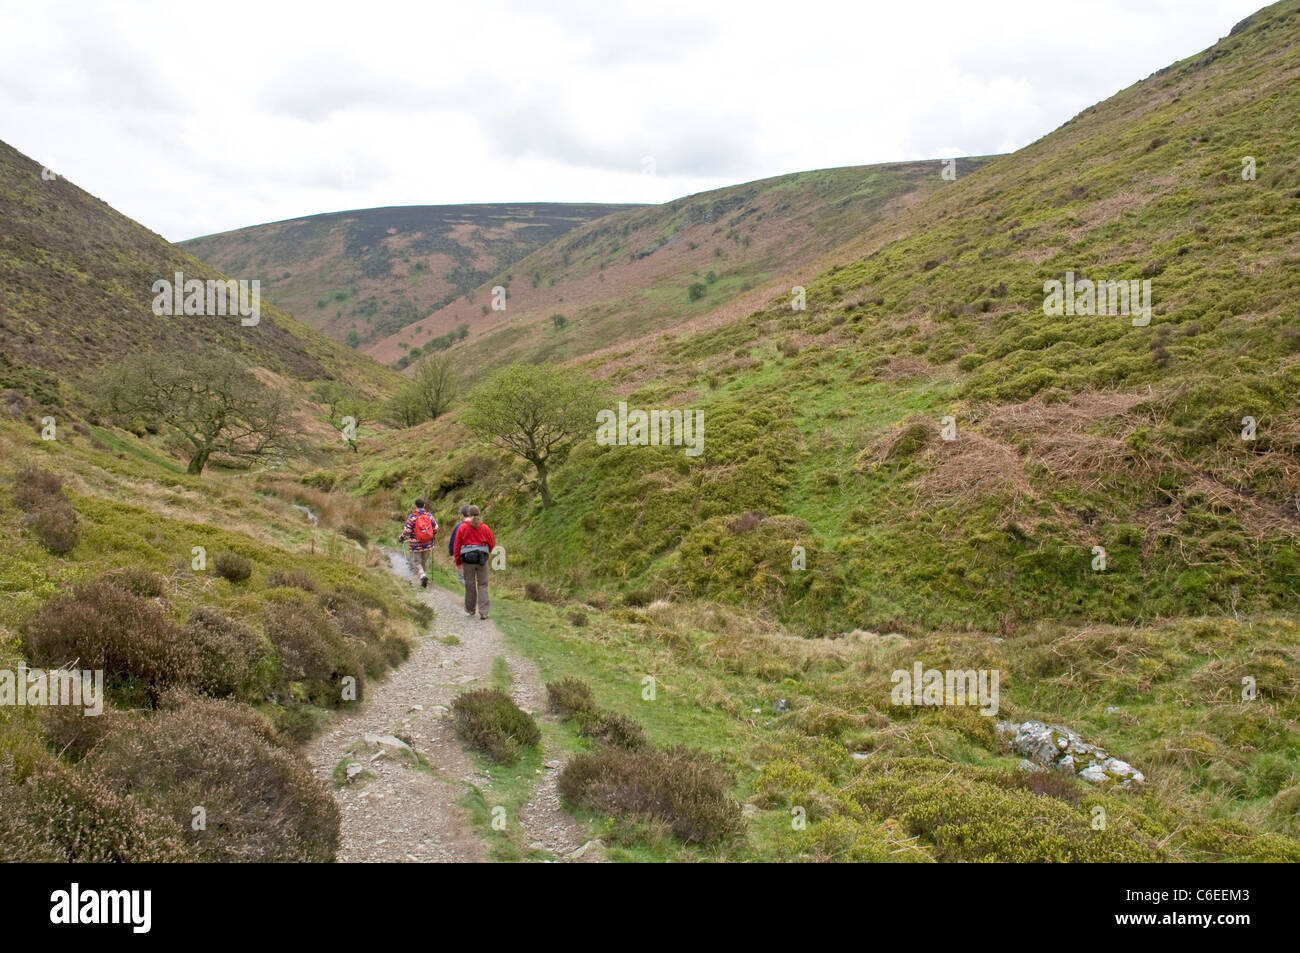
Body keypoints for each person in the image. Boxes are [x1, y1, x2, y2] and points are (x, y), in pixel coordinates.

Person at [453, 504, 495, 619]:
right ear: (479, 514)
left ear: (469, 514)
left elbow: (457, 546)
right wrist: (487, 552)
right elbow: (492, 542)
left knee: (470, 584)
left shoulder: (462, 528)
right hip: (482, 560)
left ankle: (471, 609)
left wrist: (458, 562)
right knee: (483, 585)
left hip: (467, 561)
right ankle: (484, 612)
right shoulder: (485, 527)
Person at [398, 498, 438, 588]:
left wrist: (402, 537)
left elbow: (407, 530)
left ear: (415, 506)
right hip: (428, 543)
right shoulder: (429, 516)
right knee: (425, 560)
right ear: (424, 505)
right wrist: (432, 536)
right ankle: (424, 577)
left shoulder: (412, 516)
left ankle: (422, 576)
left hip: (416, 545)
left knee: (416, 562)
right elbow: (436, 528)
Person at [447, 503, 471, 584]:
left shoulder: (459, 526)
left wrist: (451, 552)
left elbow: (453, 541)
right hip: (477, 555)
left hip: (463, 554)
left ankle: (470, 593)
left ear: (462, 515)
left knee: (462, 578)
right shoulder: (478, 525)